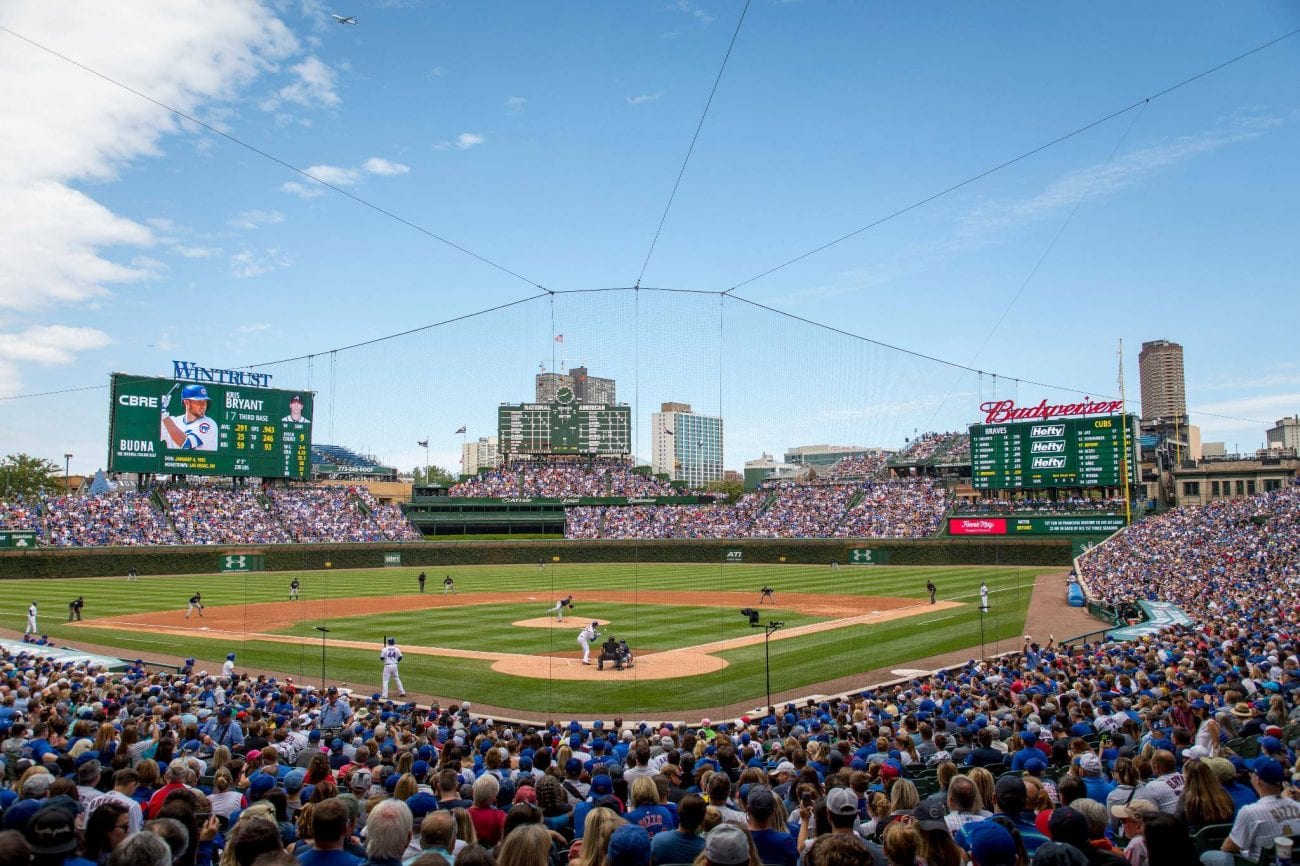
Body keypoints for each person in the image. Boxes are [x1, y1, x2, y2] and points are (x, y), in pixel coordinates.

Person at [1203, 758, 1300, 865]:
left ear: (1257, 779)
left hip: (1256, 863)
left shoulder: (1250, 812)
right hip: (1292, 862)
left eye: (1252, 772)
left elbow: (1228, 848)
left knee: (1207, 856)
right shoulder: (1298, 806)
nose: (1250, 774)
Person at [161, 384, 218, 451]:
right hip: (172, 461)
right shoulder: (173, 421)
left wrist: (163, 415)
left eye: (205, 401)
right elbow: (151, 437)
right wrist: (156, 410)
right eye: (199, 402)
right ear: (186, 402)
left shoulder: (209, 424)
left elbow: (186, 445)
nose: (203, 406)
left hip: (201, 461)